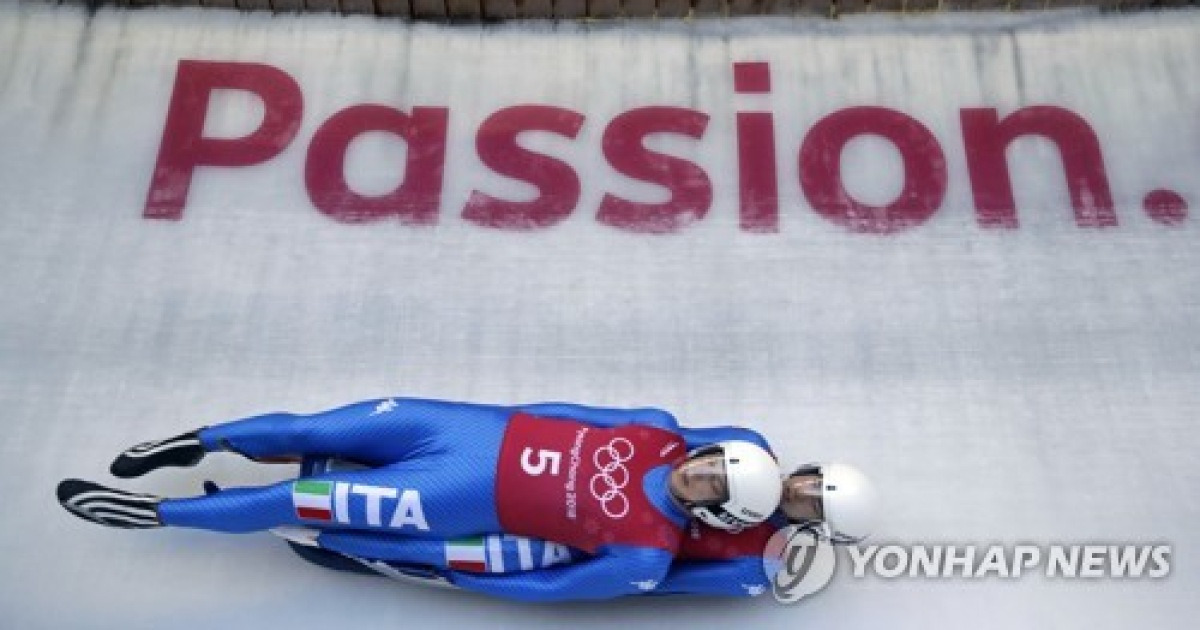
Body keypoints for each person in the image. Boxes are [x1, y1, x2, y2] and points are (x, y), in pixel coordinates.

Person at [56, 397, 782, 602]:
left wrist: (455, 568)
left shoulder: (644, 554)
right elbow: (569, 412)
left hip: (445, 499)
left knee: (297, 497)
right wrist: (502, 414)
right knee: (314, 426)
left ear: (718, 513)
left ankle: (149, 514)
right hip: (466, 424)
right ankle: (194, 441)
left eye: (715, 482)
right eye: (712, 459)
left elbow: (549, 587)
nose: (703, 469)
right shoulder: (657, 433)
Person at [274, 457, 877, 598]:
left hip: (589, 545)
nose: (795, 491)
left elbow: (665, 584)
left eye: (809, 501)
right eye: (806, 481)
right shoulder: (755, 462)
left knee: (472, 553)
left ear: (817, 529)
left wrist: (604, 568)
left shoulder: (761, 564)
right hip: (588, 493)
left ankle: (348, 545)